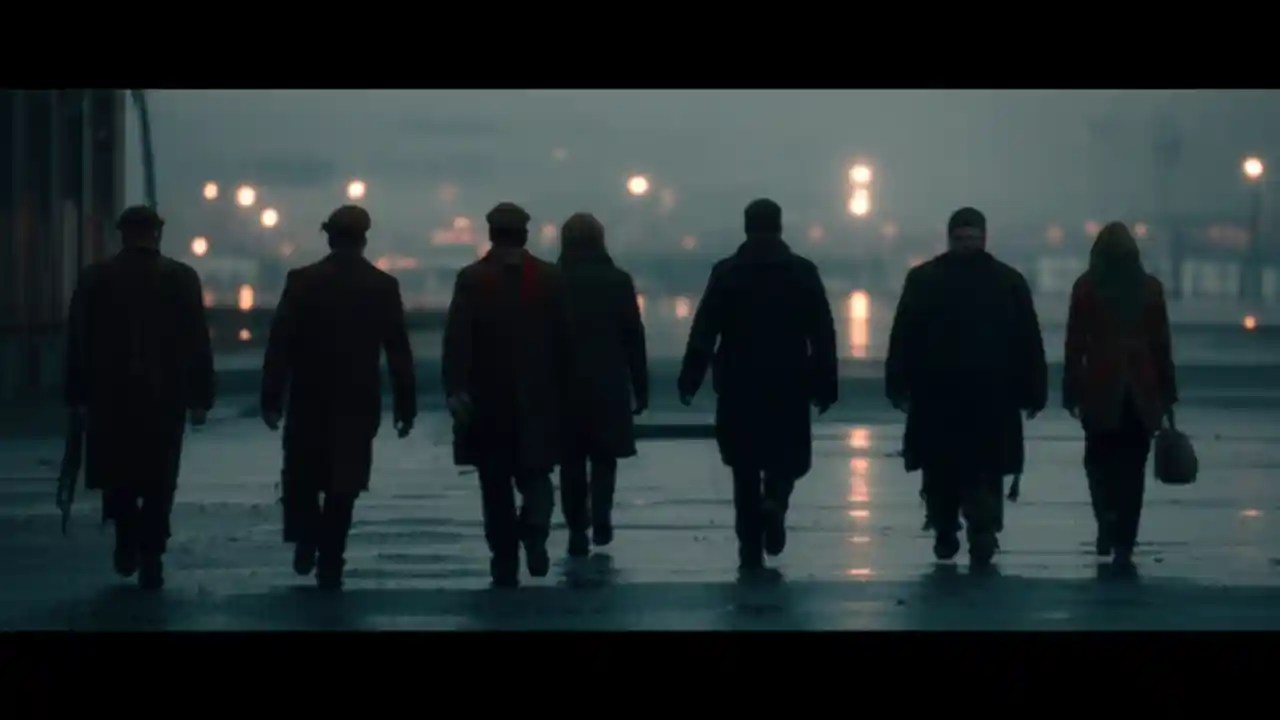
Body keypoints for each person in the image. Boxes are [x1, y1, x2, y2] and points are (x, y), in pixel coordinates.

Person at [677, 199, 838, 574]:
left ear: (746, 227)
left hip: (739, 381)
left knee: (744, 465)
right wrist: (825, 382)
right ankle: (776, 501)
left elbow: (705, 329)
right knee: (787, 455)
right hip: (789, 379)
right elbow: (822, 333)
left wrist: (690, 378)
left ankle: (750, 544)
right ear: (779, 227)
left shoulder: (727, 272)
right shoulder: (802, 272)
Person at [261, 205, 416, 591]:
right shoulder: (382, 286)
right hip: (357, 400)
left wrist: (272, 397)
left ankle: (306, 536)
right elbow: (398, 351)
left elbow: (280, 344)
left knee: (303, 475)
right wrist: (405, 405)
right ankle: (331, 558)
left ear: (330, 237)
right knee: (344, 485)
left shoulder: (302, 281)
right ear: (364, 238)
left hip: (308, 397)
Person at [885, 207, 1046, 569]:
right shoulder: (1007, 281)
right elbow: (1027, 341)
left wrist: (898, 384)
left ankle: (950, 526)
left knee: (944, 468)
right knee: (980, 469)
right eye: (963, 239)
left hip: (941, 395)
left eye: (970, 239)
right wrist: (1033, 390)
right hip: (986, 396)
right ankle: (978, 529)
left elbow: (904, 337)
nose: (967, 245)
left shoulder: (925, 279)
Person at [64, 205, 215, 590]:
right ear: (157, 233)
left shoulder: (96, 278)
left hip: (110, 396)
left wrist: (76, 394)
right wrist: (200, 397)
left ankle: (126, 538)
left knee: (118, 473)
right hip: (165, 396)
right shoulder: (181, 278)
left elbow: (78, 340)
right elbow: (197, 341)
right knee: (160, 477)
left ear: (122, 234)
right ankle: (152, 553)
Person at [442, 202, 575, 587]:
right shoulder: (549, 278)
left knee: (495, 484)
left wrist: (456, 388)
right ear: (525, 234)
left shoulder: (473, 279)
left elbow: (457, 340)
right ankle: (535, 531)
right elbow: (566, 341)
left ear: (491, 234)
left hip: (488, 400)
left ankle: (504, 558)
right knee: (537, 475)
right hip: (540, 397)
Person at [1063, 222, 1176, 569]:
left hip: (1100, 386)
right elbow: (1161, 345)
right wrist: (1168, 393)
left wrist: (1071, 389)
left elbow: (1075, 343)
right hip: (1141, 390)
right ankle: (1125, 537)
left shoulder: (1086, 286)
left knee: (1099, 462)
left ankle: (1106, 521)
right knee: (1133, 469)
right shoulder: (1150, 288)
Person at [556, 213, 649, 557]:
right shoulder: (618, 281)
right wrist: (640, 386)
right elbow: (633, 337)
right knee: (604, 457)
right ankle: (601, 515)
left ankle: (577, 527)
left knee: (570, 460)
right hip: (608, 381)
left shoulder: (553, 281)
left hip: (563, 384)